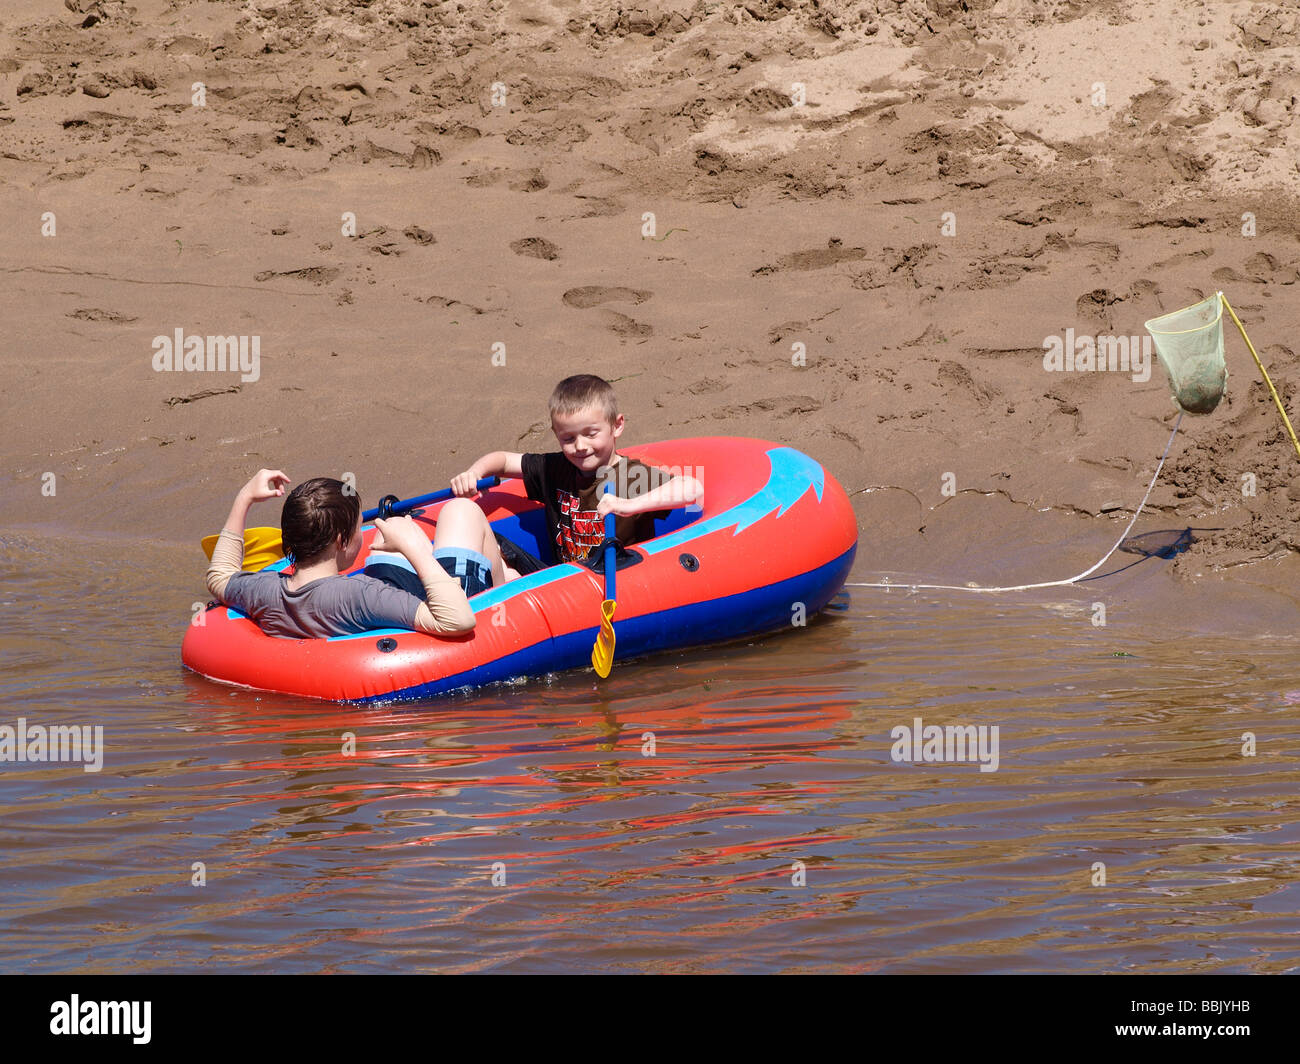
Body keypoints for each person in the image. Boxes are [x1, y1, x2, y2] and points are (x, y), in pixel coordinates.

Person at [205, 469, 506, 639]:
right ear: (341, 541)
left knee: (383, 559)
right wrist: (414, 548)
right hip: (457, 605)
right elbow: (457, 620)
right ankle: (509, 581)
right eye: (358, 527)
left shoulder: (265, 590)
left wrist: (244, 498)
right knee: (461, 510)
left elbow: (220, 576)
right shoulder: (359, 595)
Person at [451, 374, 702, 570]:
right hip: (563, 582)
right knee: (485, 537)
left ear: (617, 425)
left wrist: (631, 505)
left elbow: (692, 488)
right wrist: (474, 472)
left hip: (615, 579)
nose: (580, 446)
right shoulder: (554, 468)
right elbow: (504, 461)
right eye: (568, 438)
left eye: (591, 434)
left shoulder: (630, 475)